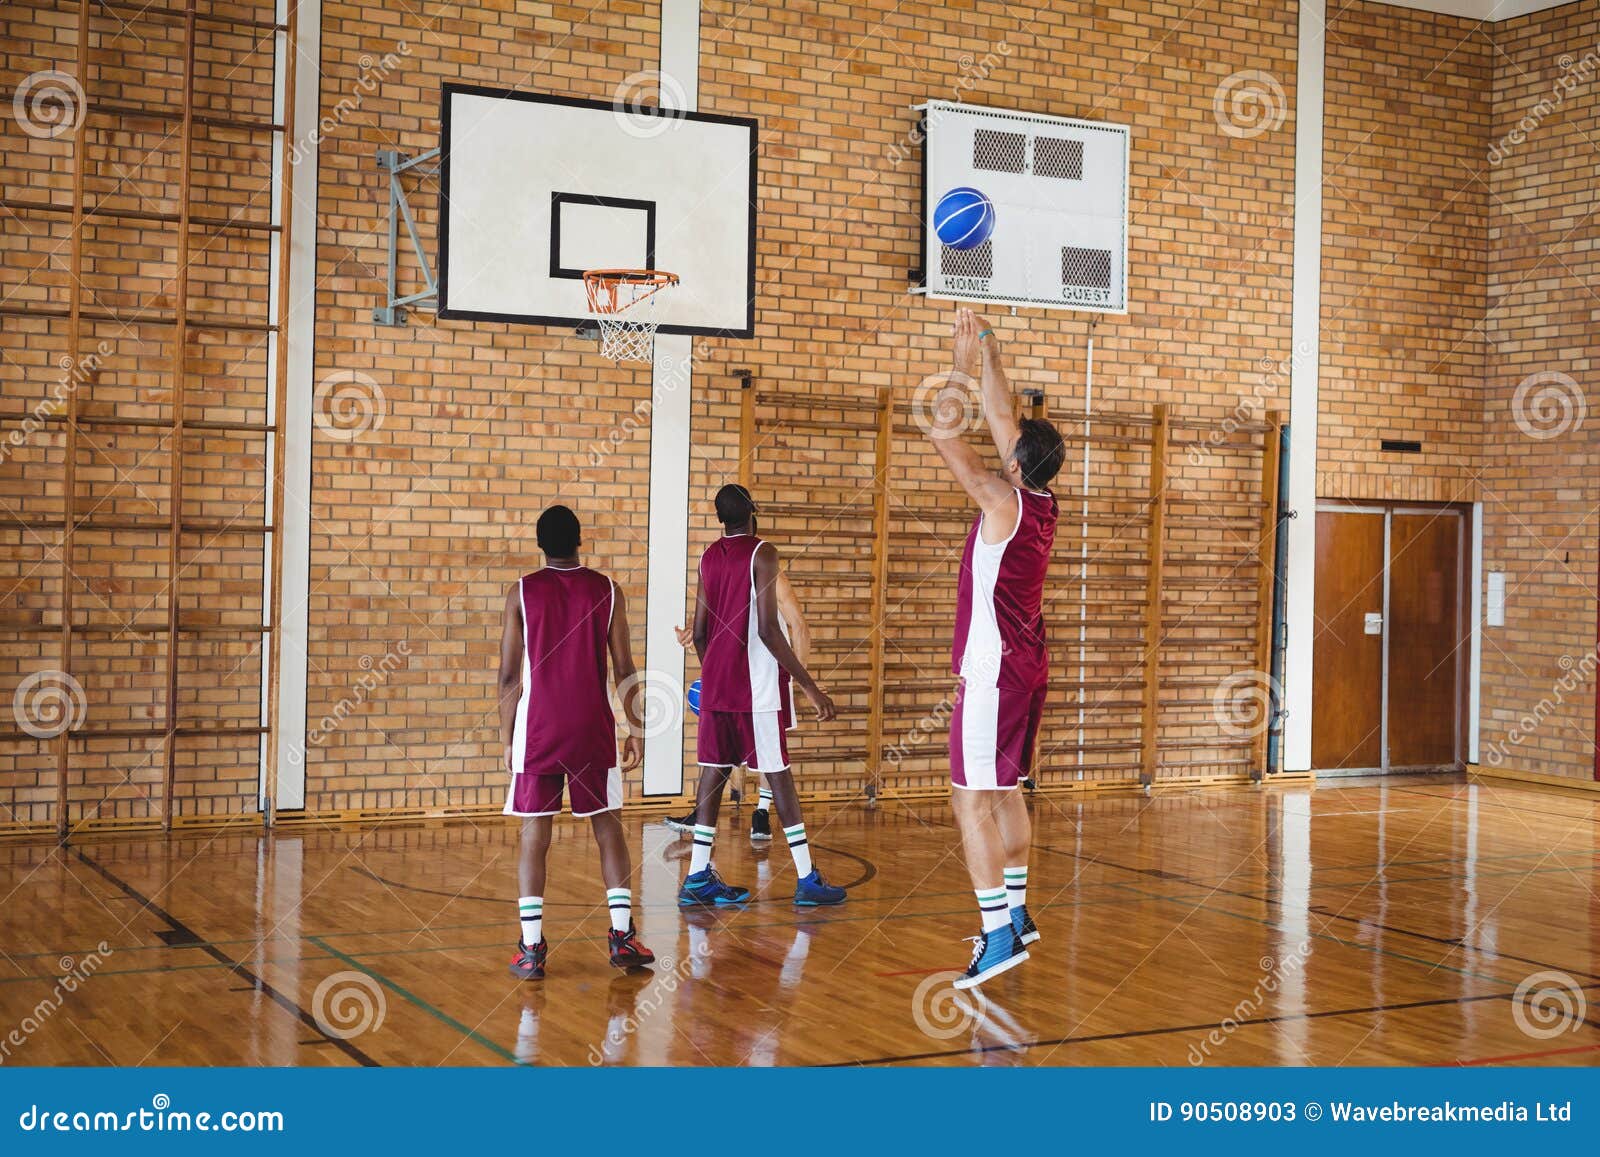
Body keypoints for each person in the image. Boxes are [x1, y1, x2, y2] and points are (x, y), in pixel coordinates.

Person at [928, 309, 1065, 990]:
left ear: (1014, 462)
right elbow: (1001, 408)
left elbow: (943, 431)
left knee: (967, 796)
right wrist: (987, 344)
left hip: (993, 670)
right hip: (1029, 662)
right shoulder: (1040, 500)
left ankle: (997, 933)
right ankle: (1017, 909)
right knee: (1006, 789)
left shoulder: (998, 500)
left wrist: (957, 360)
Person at [497, 505, 656, 979]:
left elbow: (507, 676)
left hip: (539, 729)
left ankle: (530, 949)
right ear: (580, 540)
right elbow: (625, 668)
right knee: (608, 829)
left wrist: (508, 739)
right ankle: (622, 937)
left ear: (540, 544)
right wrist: (637, 728)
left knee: (535, 835)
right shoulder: (607, 589)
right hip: (592, 728)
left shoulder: (521, 592)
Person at [677, 483, 847, 907]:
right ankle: (808, 879)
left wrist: (716, 669)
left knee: (713, 775)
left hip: (719, 688)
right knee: (778, 776)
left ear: (720, 520)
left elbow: (699, 633)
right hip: (756, 689)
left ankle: (698, 875)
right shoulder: (763, 552)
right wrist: (810, 686)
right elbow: (770, 630)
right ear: (753, 512)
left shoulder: (707, 557)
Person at [663, 570, 812, 842]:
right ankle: (702, 816)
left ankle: (762, 814)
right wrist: (690, 633)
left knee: (770, 753)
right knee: (716, 747)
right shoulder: (720, 575)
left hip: (767, 674)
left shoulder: (773, 577)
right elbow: (709, 624)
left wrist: (799, 679)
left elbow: (799, 626)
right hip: (733, 673)